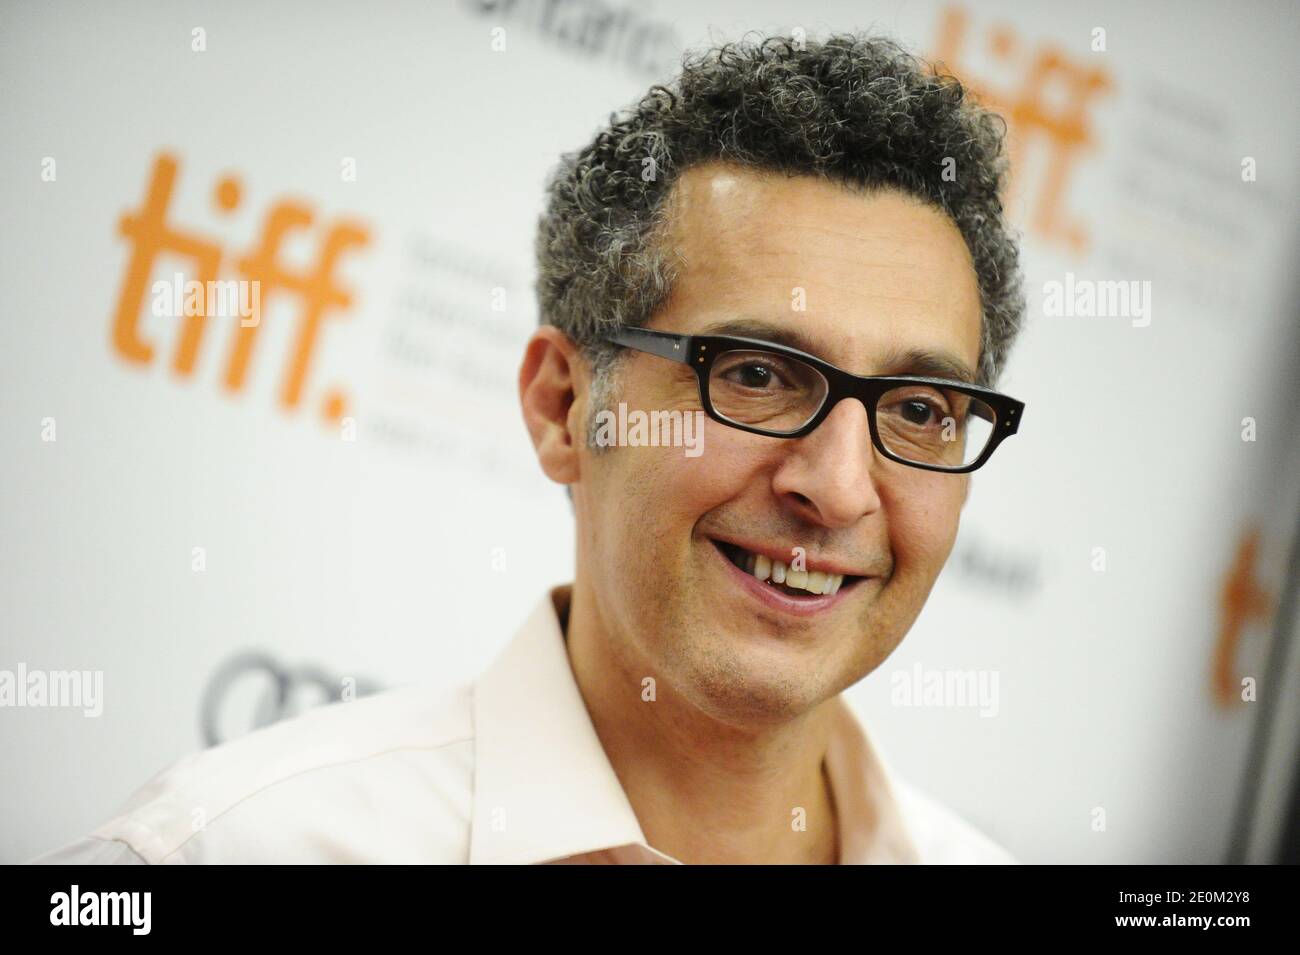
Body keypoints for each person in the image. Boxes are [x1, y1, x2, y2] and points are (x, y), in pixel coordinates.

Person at [32, 32, 1026, 865]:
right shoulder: (228, 851)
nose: (838, 488)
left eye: (919, 408)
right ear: (562, 408)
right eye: (756, 376)